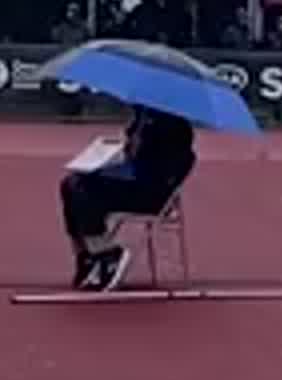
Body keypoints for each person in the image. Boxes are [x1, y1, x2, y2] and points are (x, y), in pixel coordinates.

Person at [59, 106, 197, 291]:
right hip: (134, 182)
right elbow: (131, 155)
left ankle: (106, 252)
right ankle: (86, 253)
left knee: (85, 188)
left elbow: (154, 170)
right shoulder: (143, 116)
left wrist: (132, 148)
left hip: (151, 194)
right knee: (70, 183)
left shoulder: (172, 125)